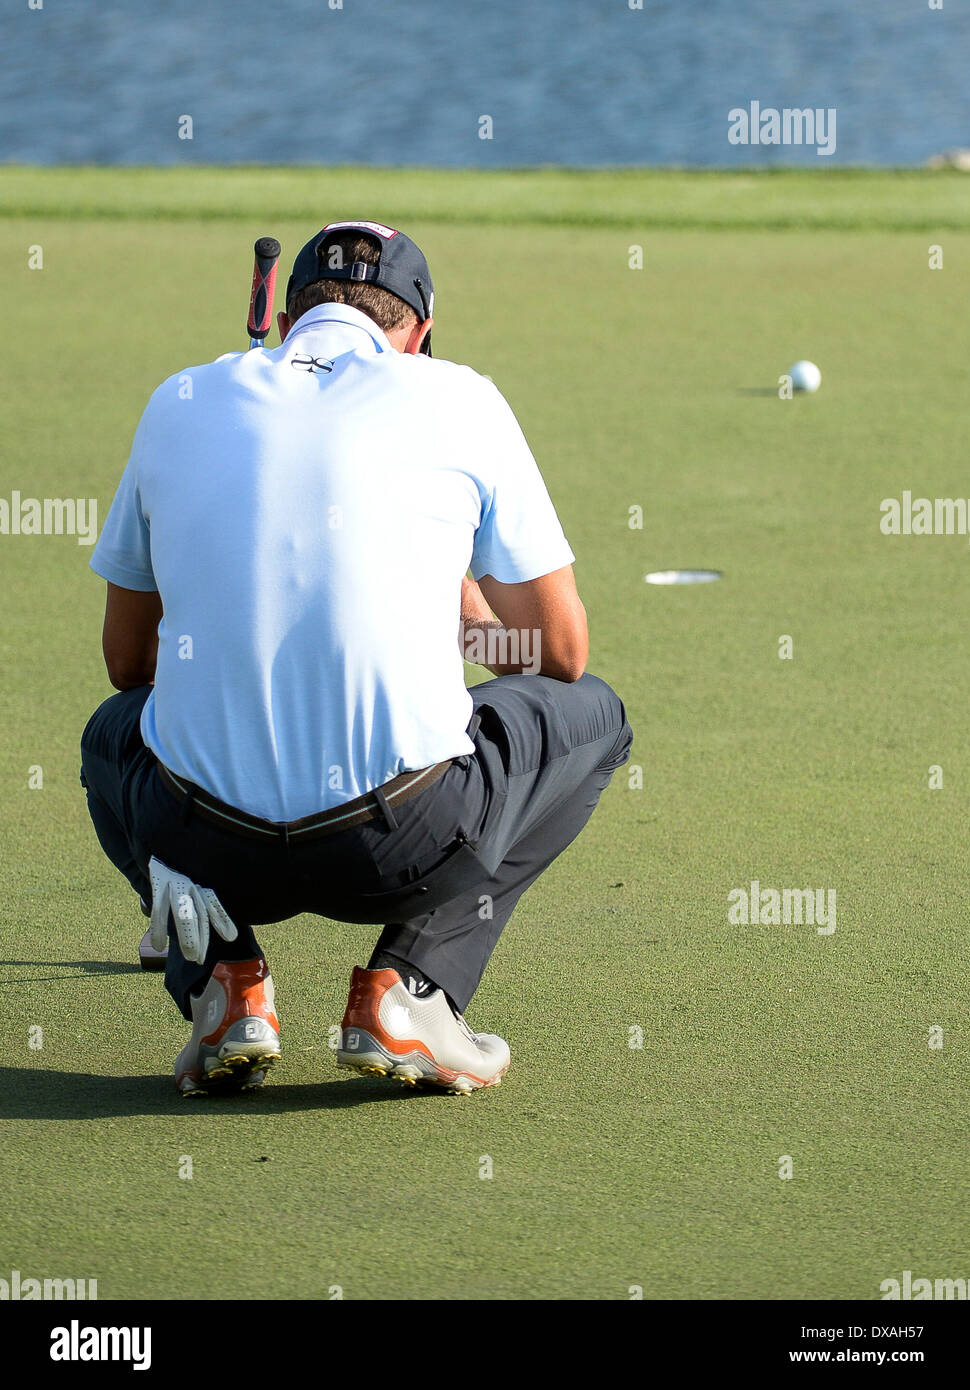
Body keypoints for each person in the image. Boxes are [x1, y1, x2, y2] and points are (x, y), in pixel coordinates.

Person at [80, 220, 633, 1097]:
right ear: (417, 333)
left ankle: (222, 983)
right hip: (398, 845)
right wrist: (456, 607)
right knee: (596, 719)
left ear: (290, 311)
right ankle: (409, 989)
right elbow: (557, 654)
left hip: (206, 843)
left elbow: (126, 664)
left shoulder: (176, 399)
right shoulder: (461, 398)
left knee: (110, 737)